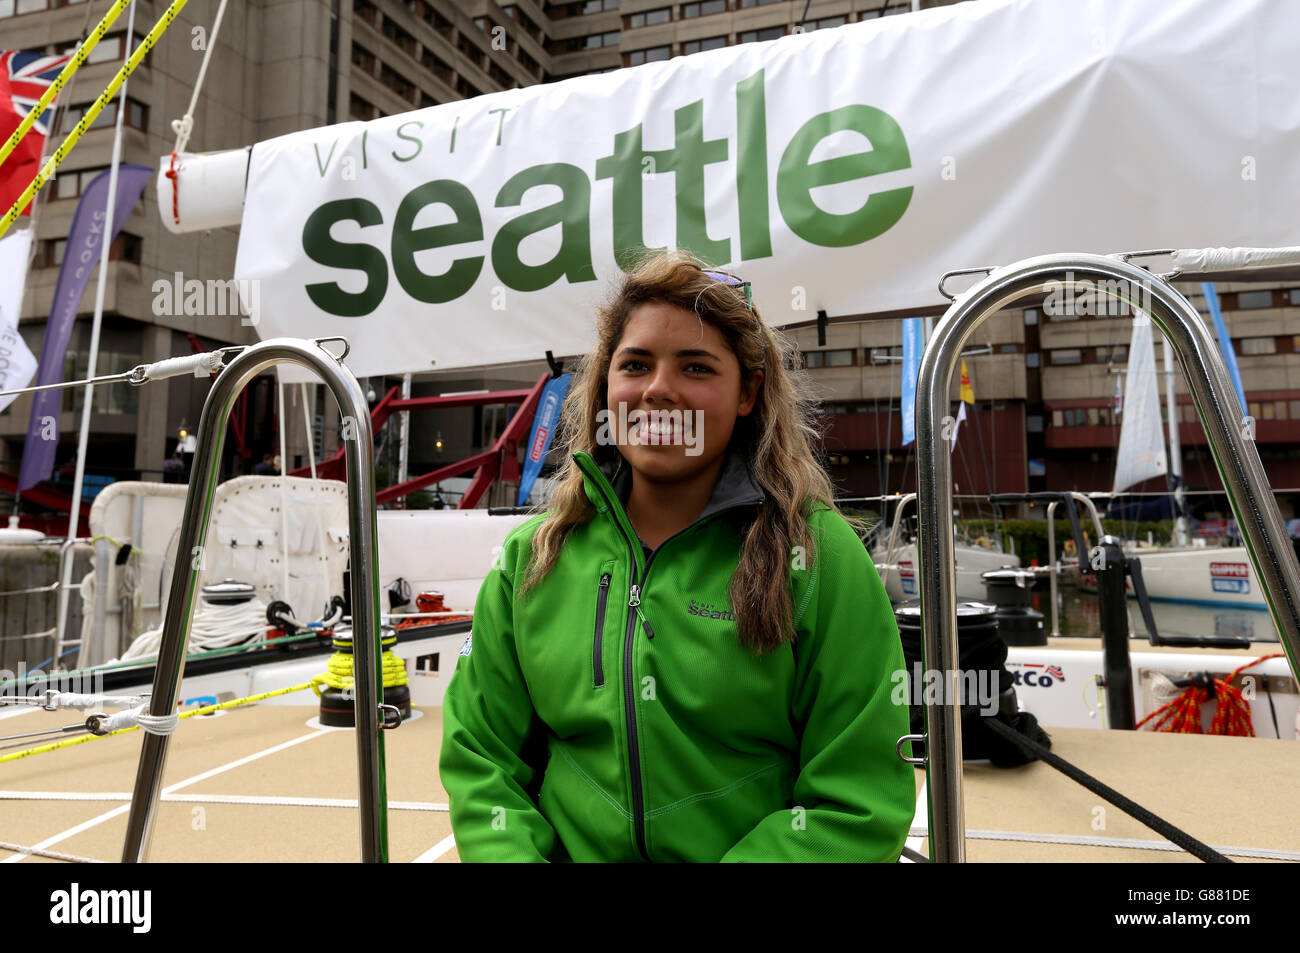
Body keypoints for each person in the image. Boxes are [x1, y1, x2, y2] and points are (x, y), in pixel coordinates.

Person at [439, 251, 915, 862]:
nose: (659, 390)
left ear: (748, 393)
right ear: (607, 384)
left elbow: (858, 800)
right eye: (635, 364)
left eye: (696, 367)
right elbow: (483, 761)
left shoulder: (818, 557)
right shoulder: (532, 559)